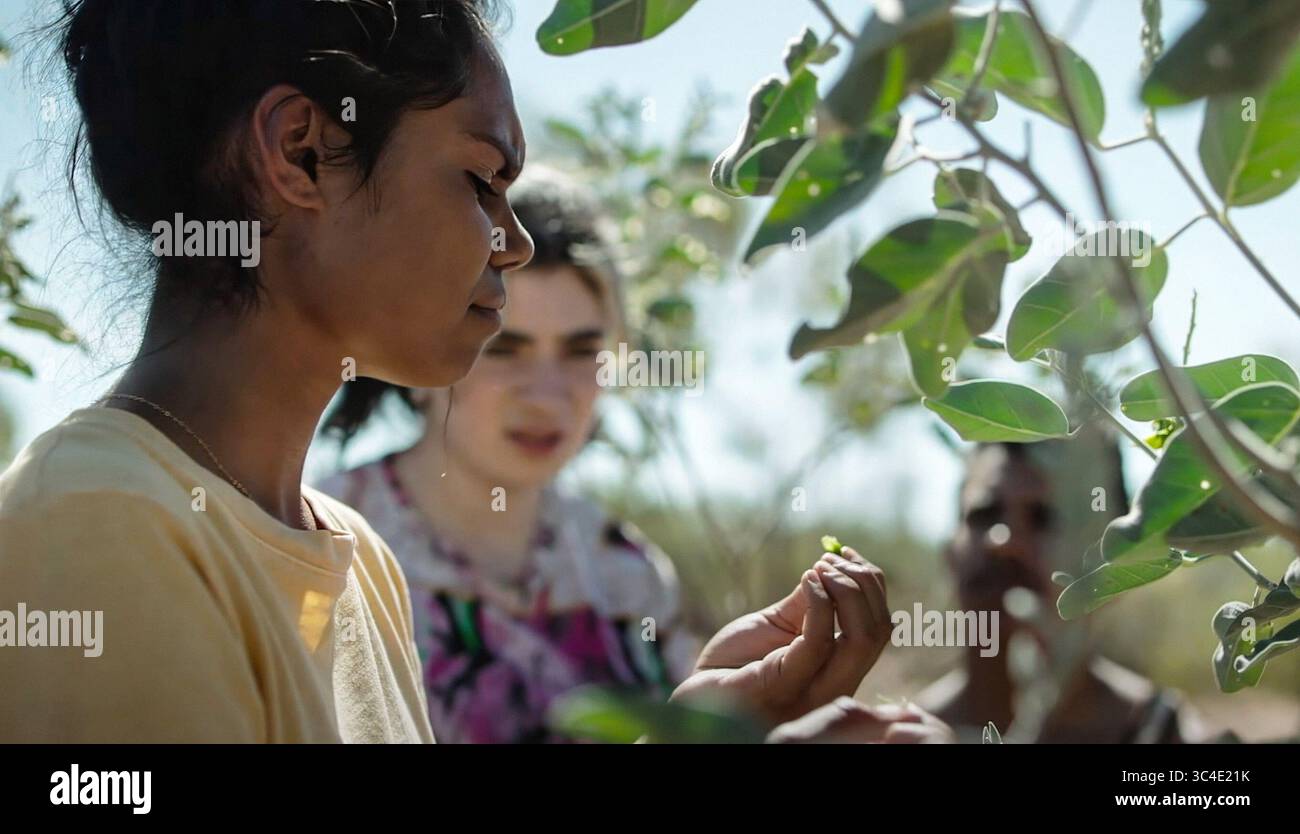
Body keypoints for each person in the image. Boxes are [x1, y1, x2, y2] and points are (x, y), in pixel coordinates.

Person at [0, 0, 907, 744]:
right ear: (301, 152)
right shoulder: (101, 523)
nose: (511, 245)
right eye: (481, 181)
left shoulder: (360, 563)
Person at [317, 172, 701, 742]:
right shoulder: (319, 550)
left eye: (581, 351)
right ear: (419, 354)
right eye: (503, 348)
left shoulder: (627, 574)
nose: (547, 395)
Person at [915, 435, 1204, 743]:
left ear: (1113, 570)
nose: (1004, 542)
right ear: (949, 553)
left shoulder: (1163, 734)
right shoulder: (898, 734)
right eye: (984, 515)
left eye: (1044, 518)